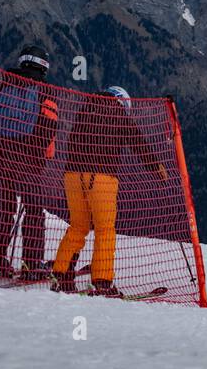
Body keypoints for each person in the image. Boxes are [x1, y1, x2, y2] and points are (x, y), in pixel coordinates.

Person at [51, 86, 167, 297]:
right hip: (102, 179)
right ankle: (103, 282)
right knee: (105, 230)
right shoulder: (118, 114)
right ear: (122, 101)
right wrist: (156, 167)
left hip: (72, 177)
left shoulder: (85, 110)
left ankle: (61, 276)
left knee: (78, 227)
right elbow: (137, 143)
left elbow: (70, 144)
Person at [0, 45, 59, 283]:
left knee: (5, 206)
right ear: (44, 67)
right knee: (34, 210)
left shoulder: (3, 85)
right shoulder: (45, 92)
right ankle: (31, 263)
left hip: (2, 158)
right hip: (30, 161)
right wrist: (42, 159)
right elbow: (48, 129)